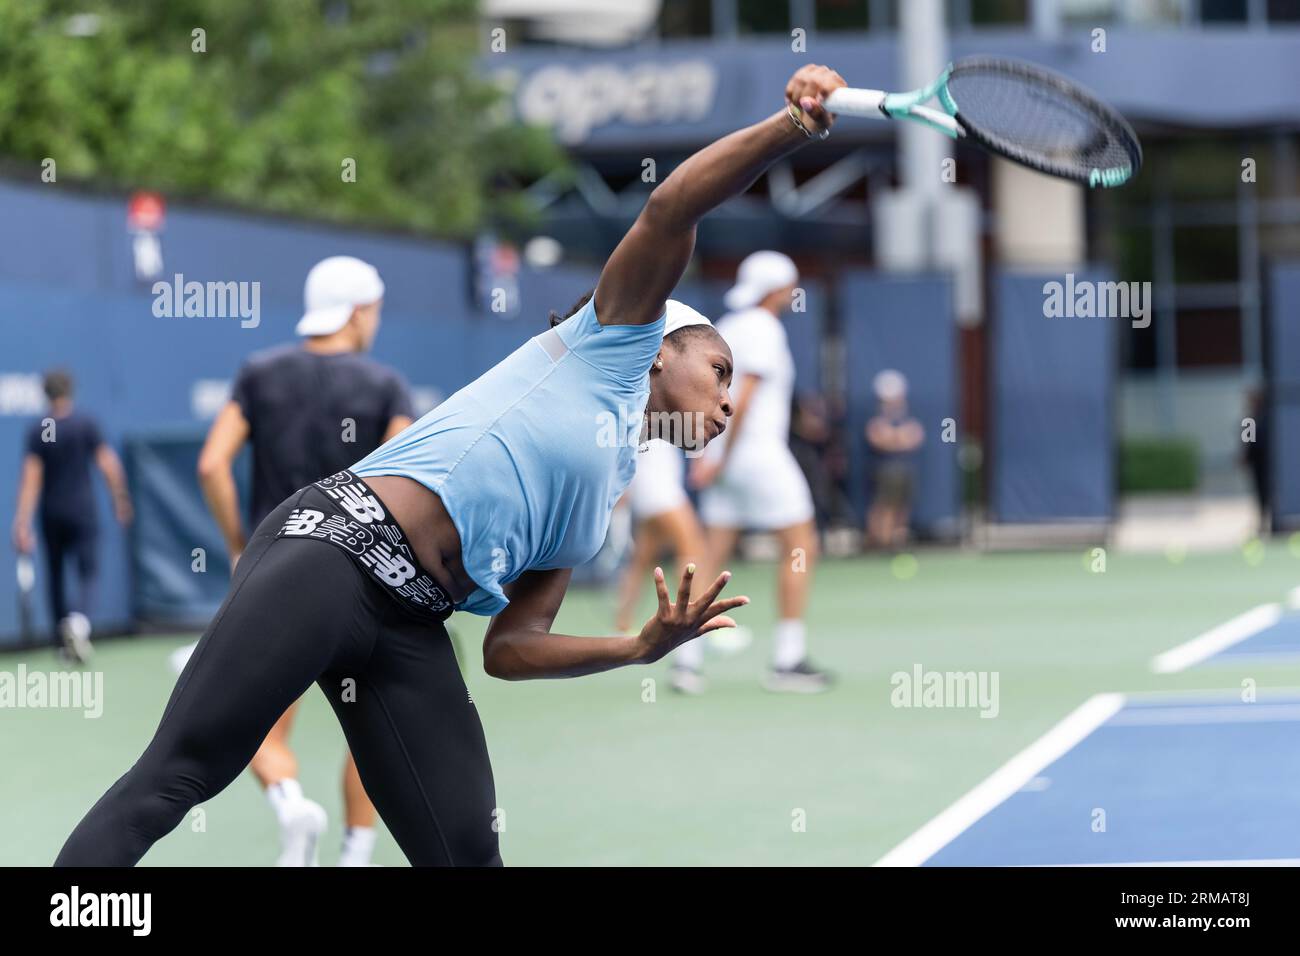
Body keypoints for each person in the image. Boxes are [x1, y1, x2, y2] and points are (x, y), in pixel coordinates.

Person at [55, 64, 846, 867]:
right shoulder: (611, 346)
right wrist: (794, 128)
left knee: (468, 853)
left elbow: (510, 646)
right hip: (333, 550)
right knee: (180, 776)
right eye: (719, 370)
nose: (726, 401)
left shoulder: (606, 487)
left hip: (408, 623)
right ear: (659, 347)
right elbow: (674, 205)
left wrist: (636, 648)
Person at [191, 255, 414, 867]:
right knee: (377, 732)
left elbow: (212, 465)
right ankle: (355, 854)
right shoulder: (385, 386)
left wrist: (243, 542)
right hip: (367, 585)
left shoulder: (258, 374)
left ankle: (292, 807)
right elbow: (403, 485)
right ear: (358, 311)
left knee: (253, 724)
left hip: (276, 575)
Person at [690, 251, 831, 694]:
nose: (793, 294)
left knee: (711, 555)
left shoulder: (726, 327)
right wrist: (724, 457)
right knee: (801, 544)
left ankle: (685, 660)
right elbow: (742, 401)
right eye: (789, 286)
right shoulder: (765, 328)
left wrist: (708, 457)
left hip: (723, 455)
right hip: (756, 456)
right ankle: (788, 660)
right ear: (776, 290)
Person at [10, 369, 132, 663]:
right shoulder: (85, 423)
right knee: (88, 570)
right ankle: (78, 623)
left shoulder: (40, 429)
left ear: (46, 393)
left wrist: (22, 520)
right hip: (82, 511)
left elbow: (31, 477)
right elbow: (107, 463)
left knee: (55, 575)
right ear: (70, 390)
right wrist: (120, 498)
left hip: (51, 514)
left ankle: (62, 643)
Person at [614, 438, 709, 692]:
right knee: (694, 551)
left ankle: (622, 624)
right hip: (657, 486)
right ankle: (687, 654)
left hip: (652, 482)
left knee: (644, 555)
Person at [864, 370, 924, 550]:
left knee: (902, 506)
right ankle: (878, 544)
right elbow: (877, 438)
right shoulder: (875, 417)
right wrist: (897, 438)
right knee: (883, 506)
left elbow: (915, 436)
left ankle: (897, 542)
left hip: (905, 469)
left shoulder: (908, 417)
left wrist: (893, 437)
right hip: (884, 469)